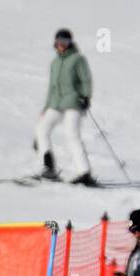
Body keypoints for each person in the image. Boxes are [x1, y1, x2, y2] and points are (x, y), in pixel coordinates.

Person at [34, 28, 95, 186]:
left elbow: (86, 80)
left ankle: (84, 173)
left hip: (73, 102)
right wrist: (46, 107)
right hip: (55, 103)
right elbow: (51, 87)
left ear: (70, 43)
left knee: (71, 135)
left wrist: (85, 96)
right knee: (42, 129)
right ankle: (49, 167)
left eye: (65, 41)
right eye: (59, 41)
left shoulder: (77, 59)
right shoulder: (54, 62)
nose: (61, 44)